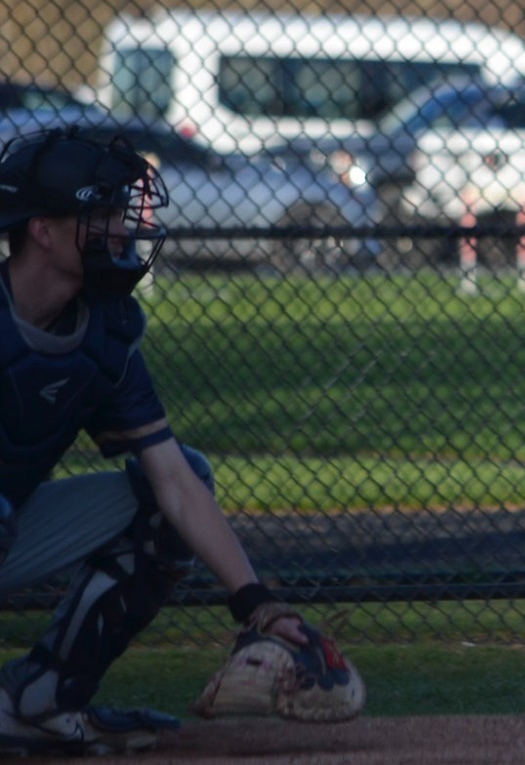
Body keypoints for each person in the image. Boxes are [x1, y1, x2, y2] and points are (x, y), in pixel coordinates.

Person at [0, 127, 351, 752]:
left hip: (9, 524)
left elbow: (176, 483)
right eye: (99, 212)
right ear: (42, 230)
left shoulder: (102, 333)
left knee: (177, 480)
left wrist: (257, 603)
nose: (119, 227)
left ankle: (41, 701)